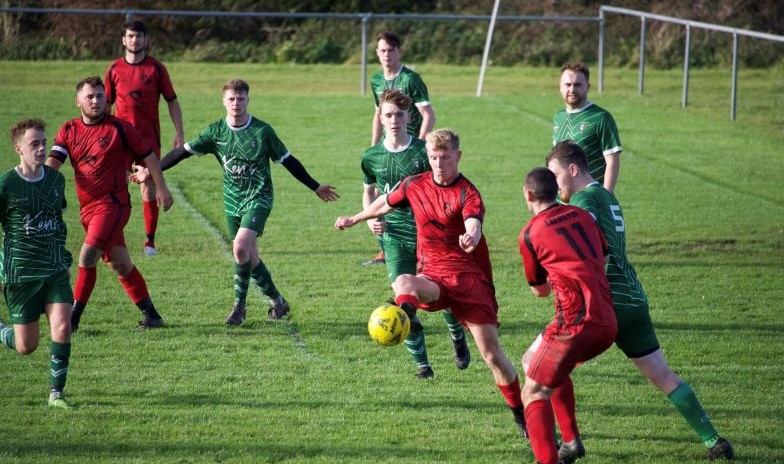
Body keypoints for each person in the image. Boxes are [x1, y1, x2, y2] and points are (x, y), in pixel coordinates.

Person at [540, 140, 734, 462]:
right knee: (662, 375)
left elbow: (589, 253)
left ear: (572, 170)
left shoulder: (584, 202)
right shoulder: (607, 197)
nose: (552, 182)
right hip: (633, 297)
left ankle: (567, 442)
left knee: (550, 368)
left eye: (555, 174)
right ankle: (714, 440)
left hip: (604, 302)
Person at [336, 128, 526, 440]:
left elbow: (474, 221)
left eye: (445, 157)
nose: (439, 163)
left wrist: (472, 235)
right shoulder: (415, 184)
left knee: (492, 356)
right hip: (434, 276)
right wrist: (355, 219)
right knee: (403, 280)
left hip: (469, 280)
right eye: (434, 157)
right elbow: (384, 203)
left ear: (458, 157)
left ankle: (519, 411)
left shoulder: (468, 193)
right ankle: (406, 316)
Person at [148, 78, 338, 325]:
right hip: (231, 202)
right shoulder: (215, 132)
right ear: (223, 101)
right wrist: (154, 171)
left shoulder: (262, 131)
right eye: (231, 99)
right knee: (249, 255)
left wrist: (315, 186)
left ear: (248, 100)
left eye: (240, 98)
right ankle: (278, 302)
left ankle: (239, 308)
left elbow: (289, 160)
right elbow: (181, 152)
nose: (236, 103)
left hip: (259, 198)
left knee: (239, 248)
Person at [47, 76, 173, 332]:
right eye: (90, 96)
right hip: (87, 210)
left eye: (100, 96)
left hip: (114, 205)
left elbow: (148, 156)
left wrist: (162, 188)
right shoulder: (68, 130)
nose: (96, 101)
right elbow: (53, 163)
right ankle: (152, 316)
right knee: (120, 263)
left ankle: (73, 319)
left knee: (87, 254)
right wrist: (38, 189)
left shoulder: (120, 129)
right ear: (78, 101)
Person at [360, 89, 469, 379]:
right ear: (380, 118)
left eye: (399, 114)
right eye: (388, 115)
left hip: (429, 238)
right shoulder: (371, 156)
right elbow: (369, 190)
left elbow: (446, 186)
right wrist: (370, 218)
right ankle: (423, 366)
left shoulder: (424, 151)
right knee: (403, 298)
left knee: (443, 297)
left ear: (409, 117)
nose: (394, 120)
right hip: (393, 238)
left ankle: (457, 336)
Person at [518, 167, 618, 464]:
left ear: (529, 195)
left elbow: (541, 291)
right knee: (530, 360)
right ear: (557, 190)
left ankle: (548, 459)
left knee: (533, 392)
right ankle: (571, 441)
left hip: (574, 324)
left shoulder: (530, 233)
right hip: (608, 321)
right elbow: (605, 256)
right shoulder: (583, 216)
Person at [0, 119, 75, 409]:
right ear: (19, 148)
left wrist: (64, 258)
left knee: (62, 326)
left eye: (44, 142)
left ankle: (56, 394)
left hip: (54, 270)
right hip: (21, 273)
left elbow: (57, 223)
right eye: (34, 143)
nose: (42, 148)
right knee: (25, 346)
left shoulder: (56, 180)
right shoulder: (7, 185)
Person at [104, 20, 185, 257]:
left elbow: (172, 100)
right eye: (130, 36)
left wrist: (179, 133)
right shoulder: (113, 70)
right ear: (123, 40)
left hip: (148, 140)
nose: (134, 40)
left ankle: (149, 241)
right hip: (119, 139)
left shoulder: (156, 69)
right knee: (115, 186)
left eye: (139, 36)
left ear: (145, 39)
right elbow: (106, 105)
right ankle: (113, 237)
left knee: (148, 186)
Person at [365, 31, 436, 266]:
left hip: (410, 149)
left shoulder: (410, 79)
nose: (386, 55)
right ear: (377, 53)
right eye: (382, 50)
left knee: (412, 198)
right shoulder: (376, 80)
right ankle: (385, 249)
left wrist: (419, 145)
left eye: (391, 50)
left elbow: (428, 115)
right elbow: (377, 114)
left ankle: (423, 247)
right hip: (387, 149)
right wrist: (374, 145)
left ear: (399, 51)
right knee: (379, 191)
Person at [552, 61, 621, 193]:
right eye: (568, 84)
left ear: (588, 87)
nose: (572, 89)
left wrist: (605, 196)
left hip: (590, 196)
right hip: (563, 197)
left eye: (578, 85)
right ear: (560, 87)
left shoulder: (601, 117)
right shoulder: (558, 117)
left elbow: (612, 161)